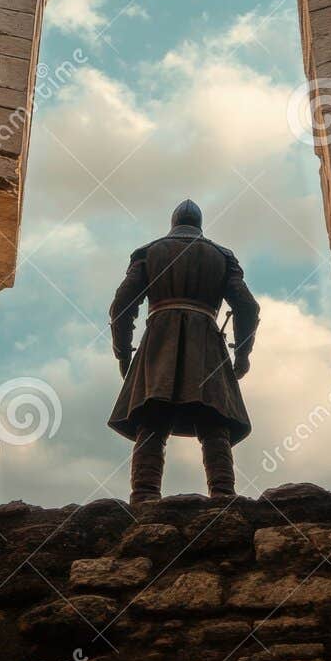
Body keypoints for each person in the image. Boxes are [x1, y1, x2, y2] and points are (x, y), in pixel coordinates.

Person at [107, 199, 259, 503]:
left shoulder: (149, 253)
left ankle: (145, 495)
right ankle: (223, 494)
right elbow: (247, 307)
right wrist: (242, 356)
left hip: (158, 343)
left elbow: (121, 308)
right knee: (214, 420)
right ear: (199, 224)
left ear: (173, 222)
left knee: (152, 418)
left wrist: (124, 355)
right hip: (207, 344)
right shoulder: (222, 256)